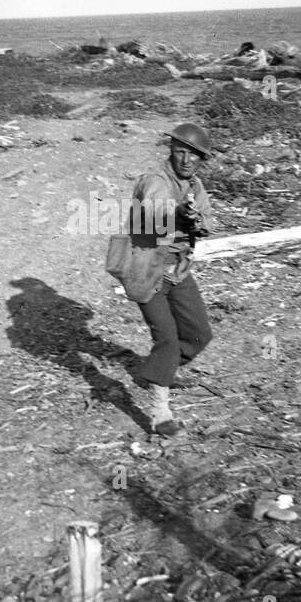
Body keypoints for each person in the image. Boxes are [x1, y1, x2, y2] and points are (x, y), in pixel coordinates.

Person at [129, 122, 216, 437]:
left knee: (198, 335)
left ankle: (157, 372)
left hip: (178, 271)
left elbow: (207, 220)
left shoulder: (195, 186)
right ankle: (160, 410)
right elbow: (151, 215)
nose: (186, 160)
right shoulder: (155, 181)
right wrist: (175, 215)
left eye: (194, 156)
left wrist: (196, 221)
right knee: (166, 339)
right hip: (147, 270)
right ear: (170, 150)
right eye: (180, 152)